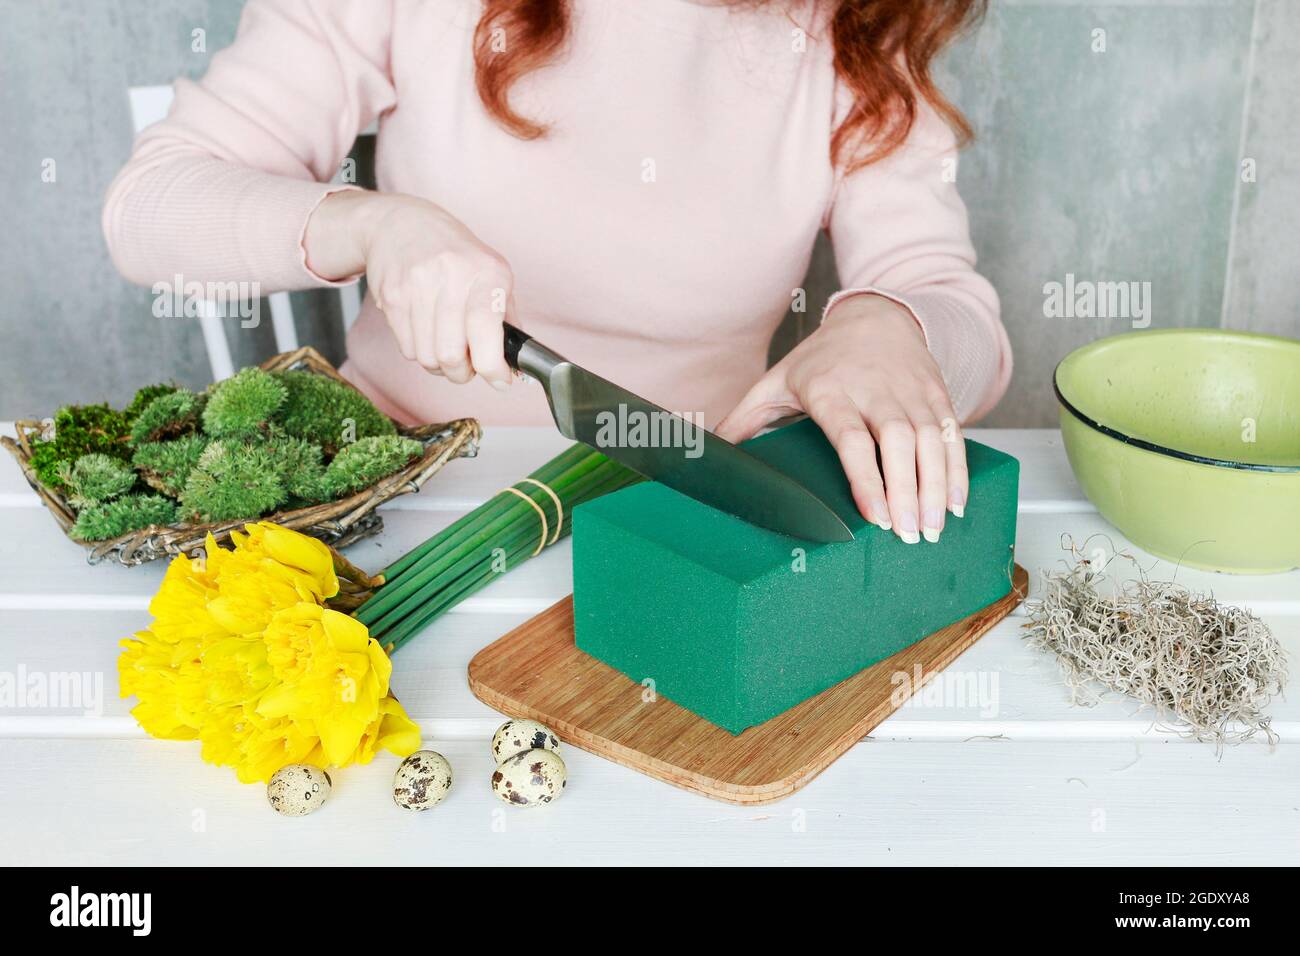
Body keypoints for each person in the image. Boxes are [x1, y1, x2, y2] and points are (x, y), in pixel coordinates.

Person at [104, 0, 1011, 545]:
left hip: (678, 514)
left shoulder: (857, 33)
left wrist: (890, 325)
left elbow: (953, 308)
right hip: (390, 493)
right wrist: (369, 224)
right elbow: (148, 209)